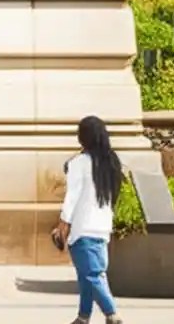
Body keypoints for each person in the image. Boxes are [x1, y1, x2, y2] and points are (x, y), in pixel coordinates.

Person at [53, 115, 125, 324]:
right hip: (102, 227)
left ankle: (112, 314)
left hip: (83, 228)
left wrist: (62, 225)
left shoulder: (79, 163)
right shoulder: (111, 163)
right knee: (86, 274)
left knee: (92, 275)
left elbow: (72, 197)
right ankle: (83, 316)